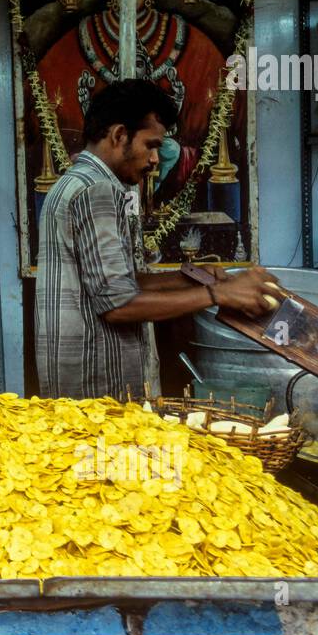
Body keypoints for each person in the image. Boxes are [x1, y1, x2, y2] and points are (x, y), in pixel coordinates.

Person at [35, 79, 280, 400]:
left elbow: (116, 285)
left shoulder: (75, 183)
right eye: (150, 145)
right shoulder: (98, 191)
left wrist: (186, 281)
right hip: (97, 387)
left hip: (80, 383)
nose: (155, 159)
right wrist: (218, 293)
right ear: (119, 135)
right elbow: (118, 306)